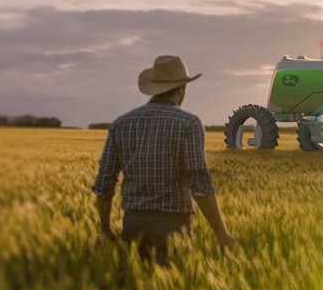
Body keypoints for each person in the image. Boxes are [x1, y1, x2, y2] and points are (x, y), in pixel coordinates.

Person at [92, 55, 236, 263]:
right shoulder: (189, 124)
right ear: (181, 89)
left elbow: (104, 185)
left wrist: (105, 230)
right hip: (173, 227)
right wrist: (222, 234)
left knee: (134, 288)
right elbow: (200, 184)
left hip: (132, 225)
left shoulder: (120, 124)